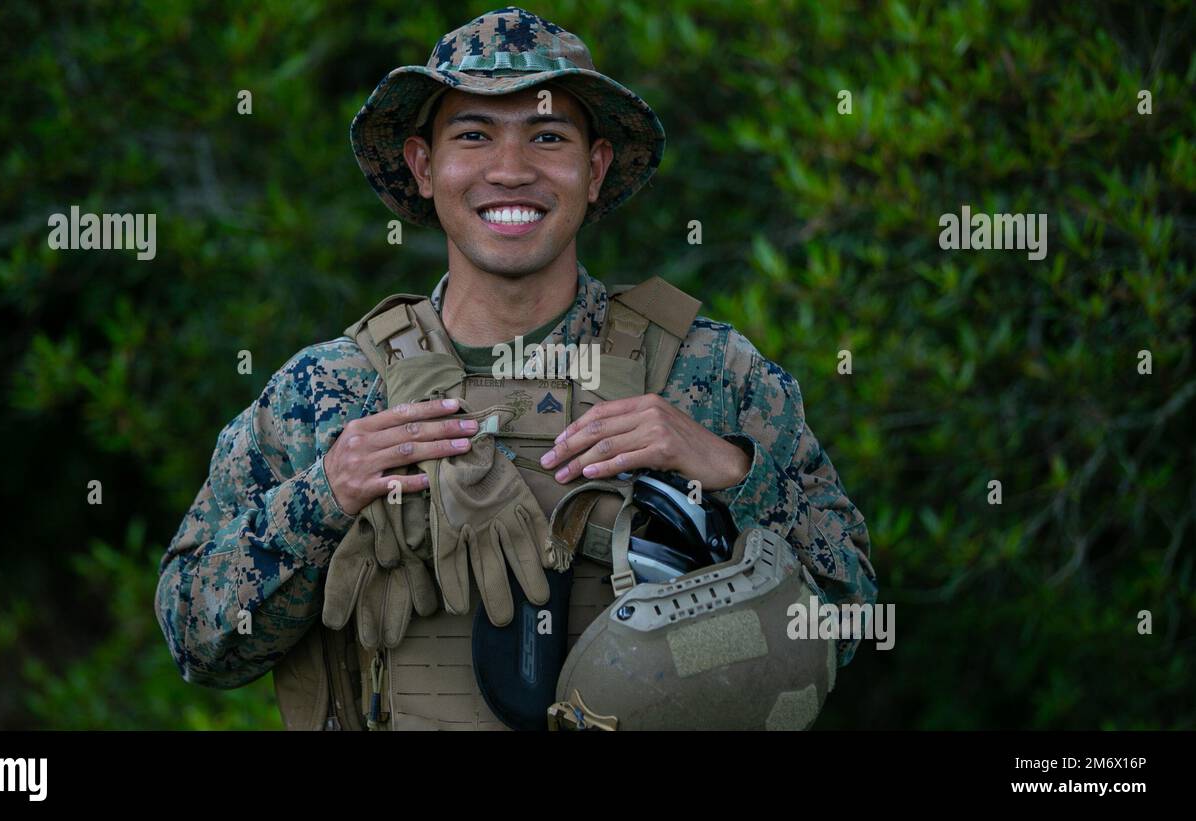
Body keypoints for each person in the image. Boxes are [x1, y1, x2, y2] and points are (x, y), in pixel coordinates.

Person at [155, 5, 878, 730]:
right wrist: (325, 496)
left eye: (548, 136)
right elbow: (196, 639)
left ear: (593, 169)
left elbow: (848, 618)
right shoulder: (329, 393)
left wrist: (726, 469)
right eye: (474, 135)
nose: (511, 170)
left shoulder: (707, 372)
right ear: (424, 166)